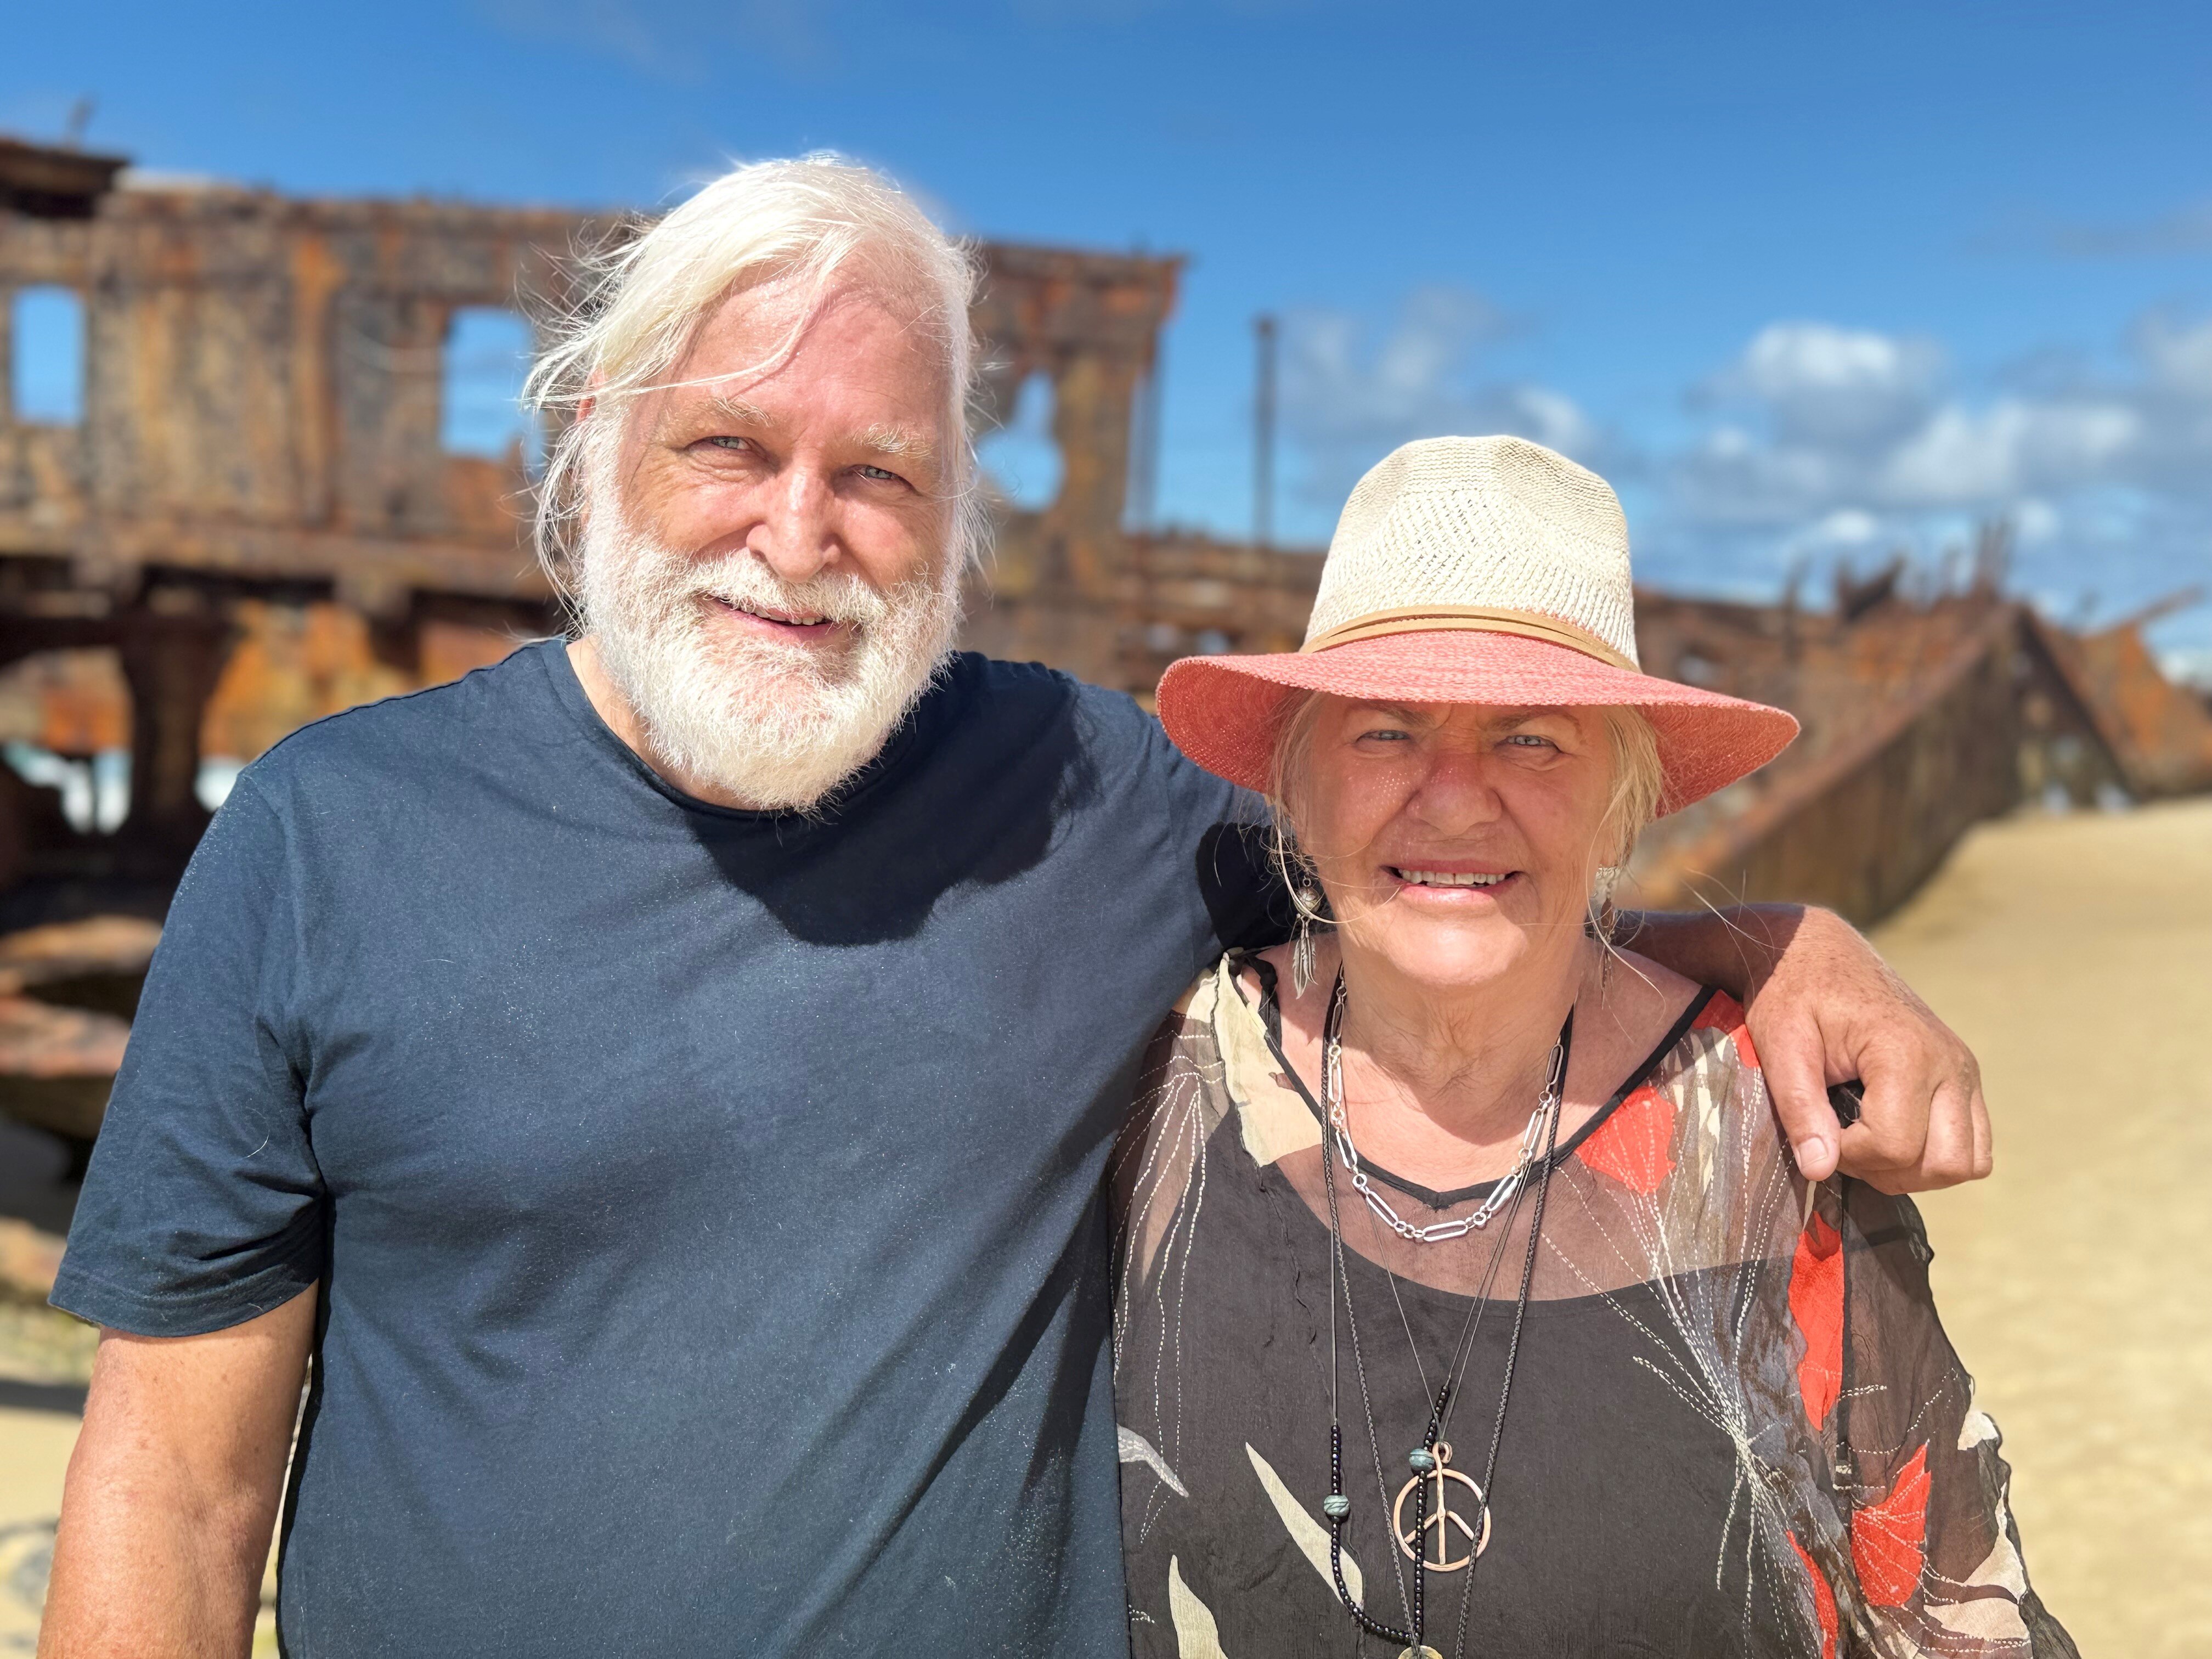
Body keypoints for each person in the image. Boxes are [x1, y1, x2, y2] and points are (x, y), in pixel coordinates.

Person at [41, 161, 1989, 1659]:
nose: (798, 532)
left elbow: (1442, 886)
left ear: (959, 508)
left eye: (879, 472)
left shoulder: (1083, 789)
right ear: (589, 439)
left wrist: (1769, 945)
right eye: (729, 445)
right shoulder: (325, 838)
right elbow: (178, 1488)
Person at [1113, 435, 2069, 1658]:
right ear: (1296, 788)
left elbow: (1950, 1611)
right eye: (1385, 732)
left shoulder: (1766, 1140)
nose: (1454, 797)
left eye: (1532, 739)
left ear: (1623, 803)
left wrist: (1784, 946)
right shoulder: (1157, 1092)